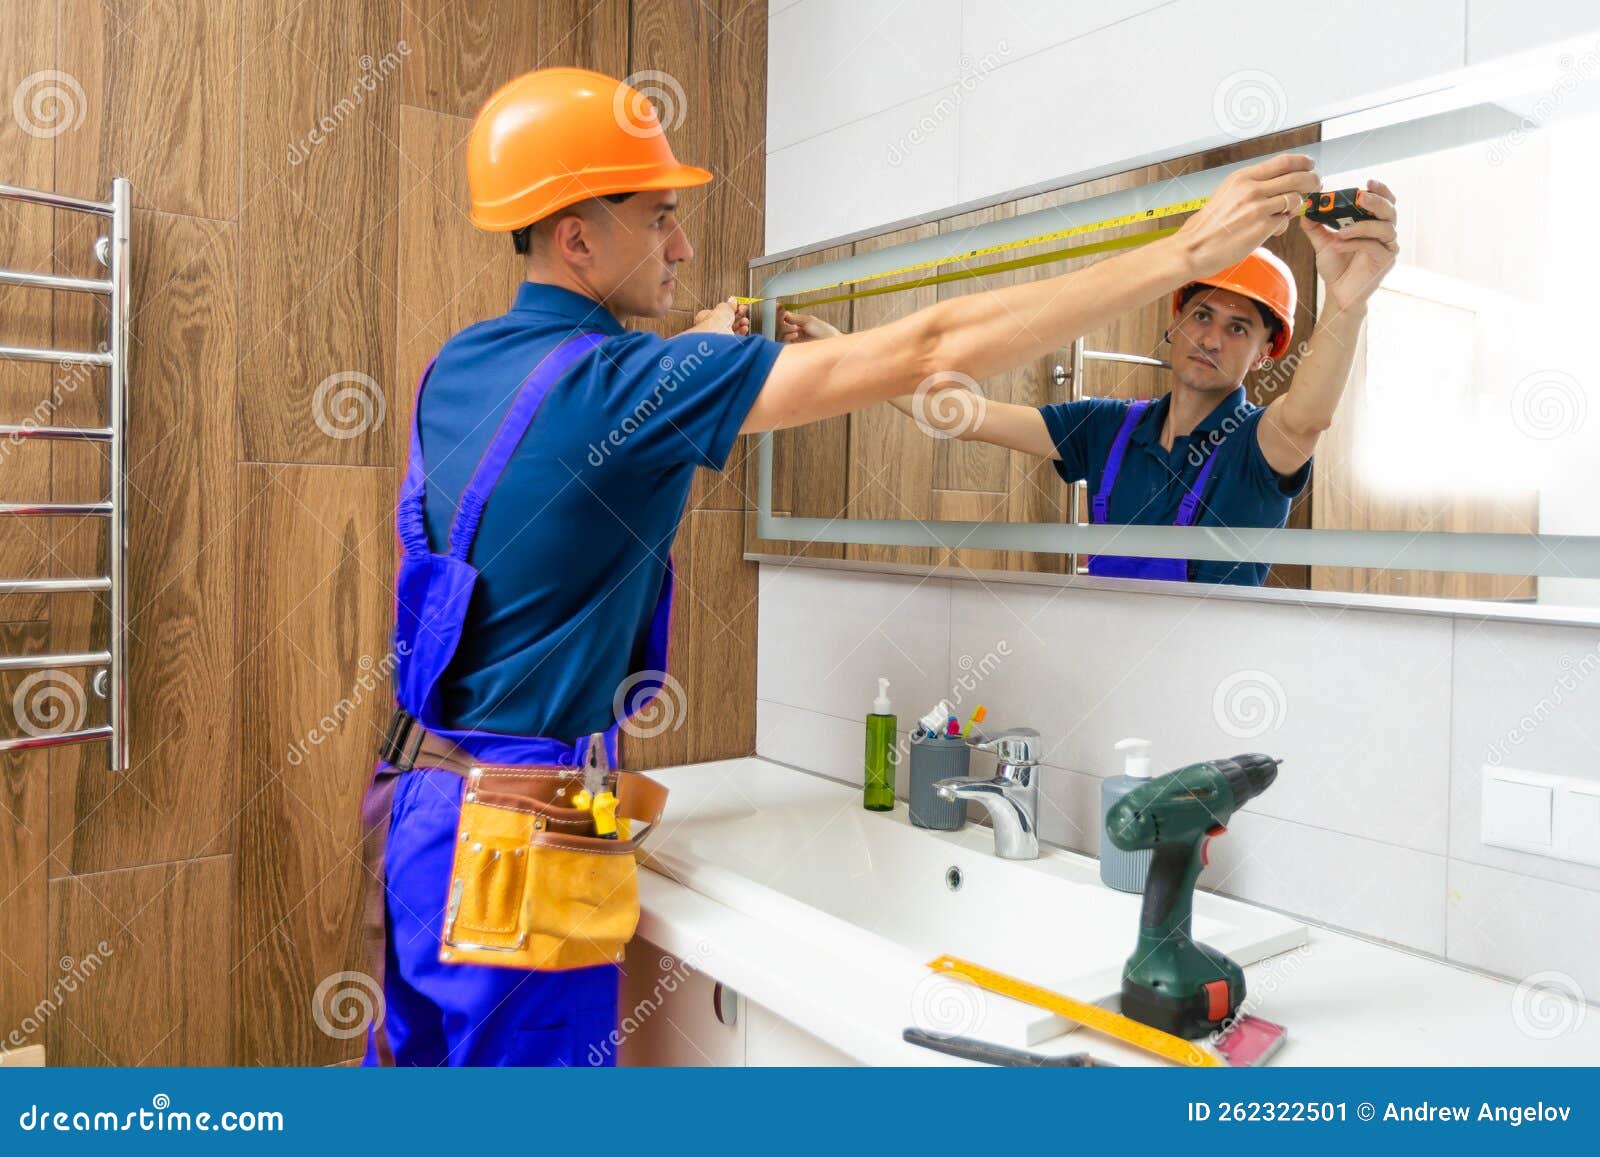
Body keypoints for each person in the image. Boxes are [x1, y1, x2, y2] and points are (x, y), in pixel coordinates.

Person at [359, 65, 1323, 1066]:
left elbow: (571, 453)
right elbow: (934, 345)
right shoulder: (625, 385)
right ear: (576, 237)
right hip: (522, 845)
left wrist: (689, 360)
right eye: (659, 216)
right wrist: (1179, 249)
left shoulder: (464, 363)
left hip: (424, 811)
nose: (684, 243)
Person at [786, 182, 1398, 585]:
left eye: (1239, 328)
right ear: (1176, 318)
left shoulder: (1258, 445)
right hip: (1101, 657)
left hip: (1211, 679)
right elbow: (960, 414)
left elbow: (1308, 417)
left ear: (1268, 352)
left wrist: (1349, 303)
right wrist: (840, 353)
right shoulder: (1108, 427)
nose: (1210, 338)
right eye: (1202, 315)